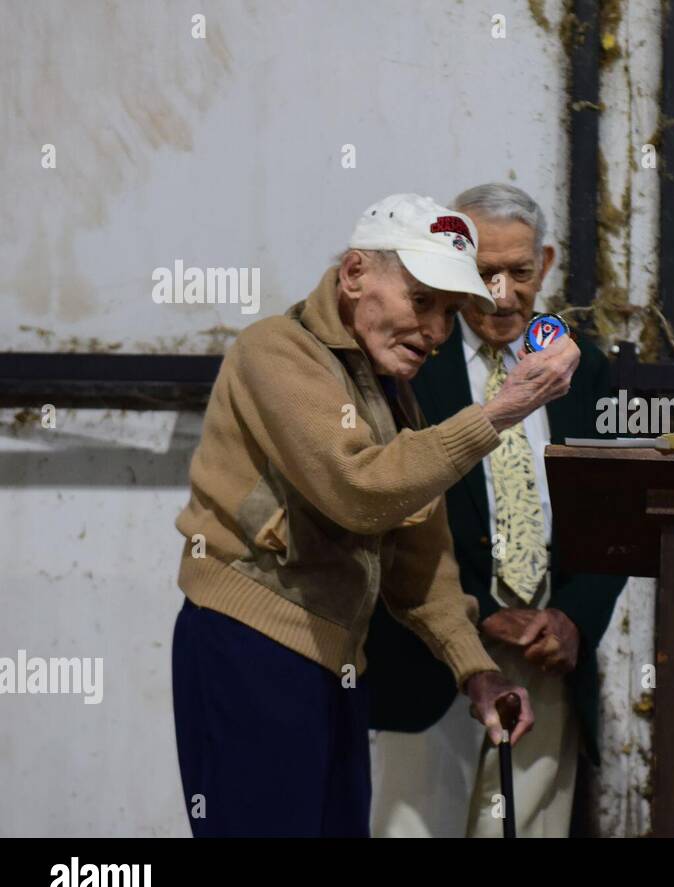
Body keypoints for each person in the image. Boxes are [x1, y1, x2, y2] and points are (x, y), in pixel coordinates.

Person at [170, 193, 579, 836]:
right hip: (250, 644)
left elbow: (418, 551)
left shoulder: (386, 390)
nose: (438, 331)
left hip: (334, 659)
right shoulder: (277, 351)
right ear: (356, 274)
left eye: (448, 311)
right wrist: (502, 410)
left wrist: (474, 668)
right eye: (422, 302)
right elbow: (358, 491)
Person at [367, 183, 627, 837]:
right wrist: (480, 606)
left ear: (545, 265)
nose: (505, 295)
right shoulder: (406, 369)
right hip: (428, 660)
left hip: (546, 665)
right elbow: (385, 510)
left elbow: (616, 516)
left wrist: (574, 619)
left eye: (518, 272)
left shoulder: (584, 369)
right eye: (485, 275)